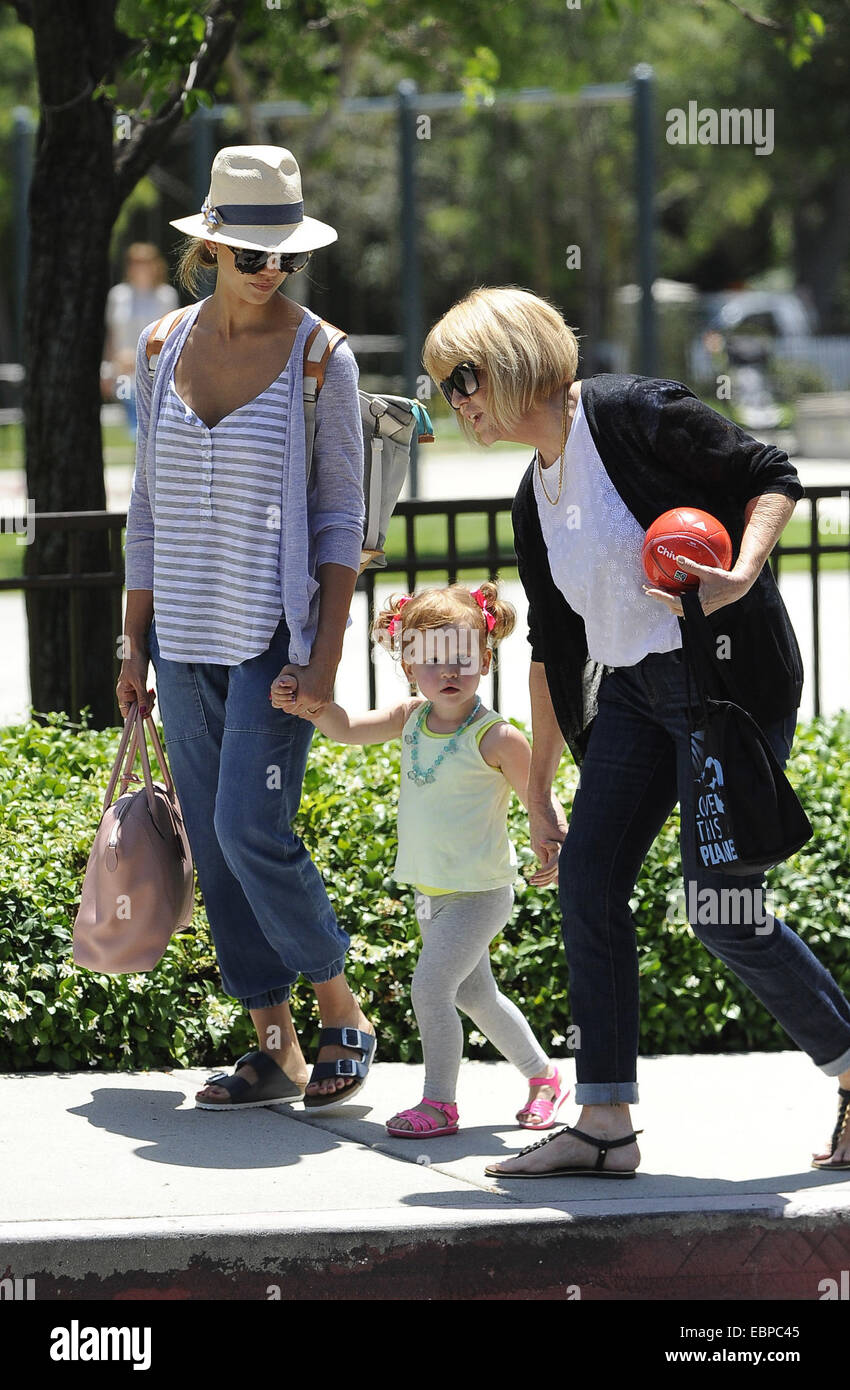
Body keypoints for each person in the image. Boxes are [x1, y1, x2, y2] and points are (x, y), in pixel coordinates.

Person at [422, 285, 850, 1178]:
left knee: (720, 907)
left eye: (461, 377)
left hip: (721, 686)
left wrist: (739, 571)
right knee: (587, 880)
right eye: (442, 384)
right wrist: (536, 790)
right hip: (633, 698)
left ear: (510, 359)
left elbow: (769, 472)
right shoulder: (529, 496)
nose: (452, 399)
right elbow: (550, 645)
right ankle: (605, 1120)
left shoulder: (630, 413)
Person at [118, 146, 377, 1112]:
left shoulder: (322, 359)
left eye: (285, 259)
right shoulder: (158, 350)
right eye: (251, 257)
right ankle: (275, 1050)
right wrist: (129, 643)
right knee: (215, 845)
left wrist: (325, 658)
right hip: (180, 637)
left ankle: (342, 1013)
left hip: (274, 639)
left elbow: (338, 520)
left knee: (247, 826)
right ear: (212, 246)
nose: (270, 273)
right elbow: (145, 508)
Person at [272, 582, 570, 1136]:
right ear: (409, 664)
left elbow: (539, 796)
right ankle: (545, 1078)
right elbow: (348, 729)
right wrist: (310, 707)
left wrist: (548, 838)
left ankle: (439, 1104)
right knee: (477, 994)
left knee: (431, 990)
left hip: (479, 893)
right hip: (431, 893)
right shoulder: (411, 717)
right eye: (433, 661)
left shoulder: (496, 736)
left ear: (485, 658)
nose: (449, 672)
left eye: (462, 658)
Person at [103, 244, 178, 440]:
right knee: (134, 427)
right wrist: (107, 368)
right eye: (135, 264)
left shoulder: (166, 296)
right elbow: (112, 336)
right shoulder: (118, 296)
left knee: (149, 427)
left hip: (154, 371)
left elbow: (170, 336)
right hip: (123, 374)